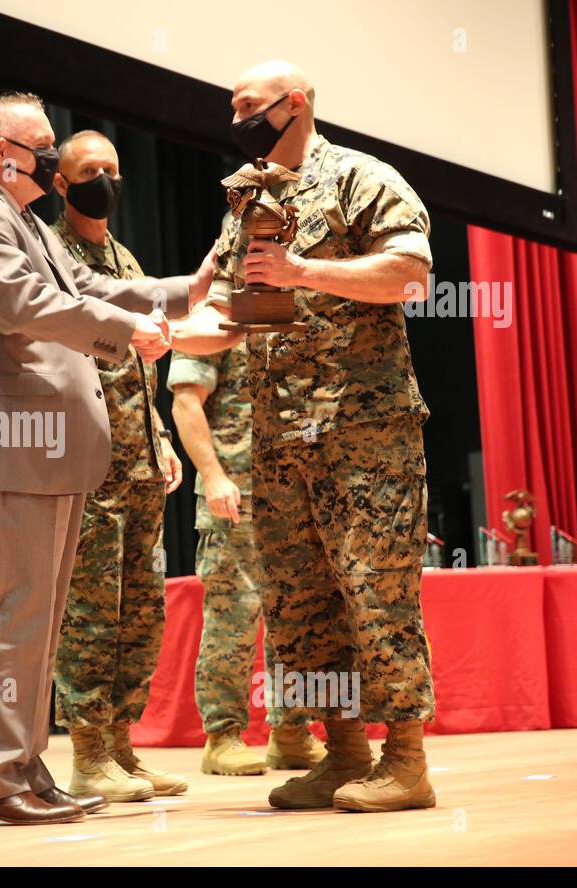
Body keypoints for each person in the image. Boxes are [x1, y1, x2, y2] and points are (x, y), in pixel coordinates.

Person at [0, 92, 214, 825]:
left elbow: (83, 286)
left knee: (39, 618)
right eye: (43, 147)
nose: (54, 162)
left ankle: (21, 763)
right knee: (17, 613)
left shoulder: (13, 214)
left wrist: (183, 294)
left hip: (44, 445)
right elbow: (25, 306)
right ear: (1, 152)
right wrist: (133, 333)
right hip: (12, 440)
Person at [173, 60, 436, 812]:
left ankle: (406, 761)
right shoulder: (247, 200)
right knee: (300, 602)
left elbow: (411, 275)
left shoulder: (360, 177)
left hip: (364, 430)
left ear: (294, 104)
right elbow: (228, 314)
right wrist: (154, 334)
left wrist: (303, 272)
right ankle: (343, 752)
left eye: (248, 107)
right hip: (279, 441)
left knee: (374, 592)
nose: (237, 122)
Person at [48, 130, 187, 802]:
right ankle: (86, 755)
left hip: (139, 465)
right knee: (90, 613)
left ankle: (124, 750)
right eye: (88, 170)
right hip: (89, 466)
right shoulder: (53, 254)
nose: (103, 178)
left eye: (112, 168)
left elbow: (137, 368)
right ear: (59, 182)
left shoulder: (123, 256)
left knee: (141, 611)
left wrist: (159, 433)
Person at [168, 342, 325, 775]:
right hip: (235, 493)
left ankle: (292, 732)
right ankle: (222, 736)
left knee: (296, 617)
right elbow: (185, 402)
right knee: (233, 616)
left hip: (293, 494)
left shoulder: (292, 317)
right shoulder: (210, 320)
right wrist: (213, 475)